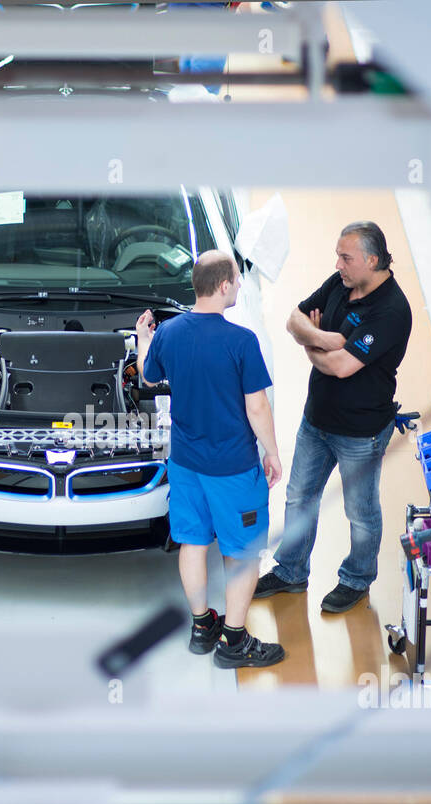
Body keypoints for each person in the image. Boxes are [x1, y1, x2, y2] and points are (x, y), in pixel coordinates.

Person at [136, 249, 286, 668]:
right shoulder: (241, 342)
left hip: (185, 465)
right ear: (223, 286)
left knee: (193, 542)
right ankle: (234, 642)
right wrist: (272, 452)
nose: (240, 285)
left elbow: (147, 376)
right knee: (242, 553)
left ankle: (203, 627)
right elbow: (257, 407)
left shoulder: (169, 332)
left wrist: (143, 340)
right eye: (237, 280)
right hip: (233, 469)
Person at [254, 221, 412, 613]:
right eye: (337, 256)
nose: (338, 264)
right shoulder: (342, 282)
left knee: (360, 512)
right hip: (317, 419)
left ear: (372, 260)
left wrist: (311, 343)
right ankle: (290, 571)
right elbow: (294, 319)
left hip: (360, 433)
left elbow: (342, 367)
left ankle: (357, 579)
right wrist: (324, 338)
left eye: (346, 257)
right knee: (298, 498)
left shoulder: (391, 310)